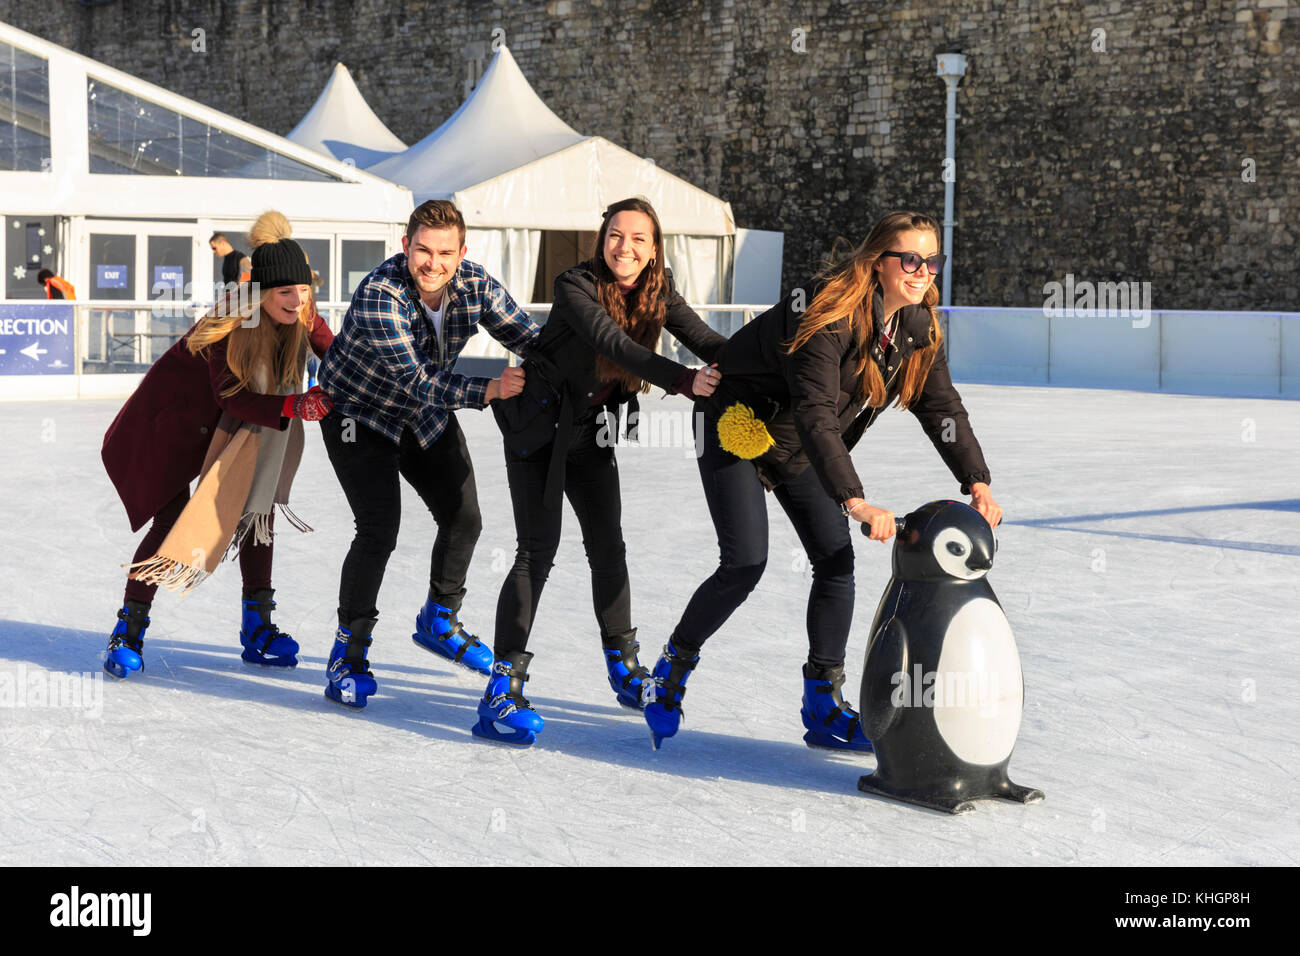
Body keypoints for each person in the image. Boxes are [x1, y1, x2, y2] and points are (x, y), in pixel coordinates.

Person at [643, 210, 1003, 750]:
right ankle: (671, 668)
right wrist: (853, 499)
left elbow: (941, 405)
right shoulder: (828, 308)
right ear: (877, 262)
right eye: (910, 258)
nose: (923, 270)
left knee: (836, 561)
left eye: (932, 260)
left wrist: (975, 480)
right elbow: (815, 409)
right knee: (745, 561)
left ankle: (823, 703)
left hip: (799, 444)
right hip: (736, 423)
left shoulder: (917, 326)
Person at [478, 197, 725, 745]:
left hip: (591, 432)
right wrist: (683, 381)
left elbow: (708, 341)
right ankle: (502, 688)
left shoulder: (658, 294)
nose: (626, 247)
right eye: (616, 235)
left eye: (639, 239)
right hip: (539, 429)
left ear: (655, 248)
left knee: (608, 547)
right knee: (536, 552)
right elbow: (612, 344)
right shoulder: (575, 285)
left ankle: (624, 665)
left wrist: (763, 368)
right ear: (602, 238)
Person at [316, 199, 539, 710]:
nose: (432, 263)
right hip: (357, 413)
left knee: (465, 516)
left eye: (444, 252)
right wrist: (491, 389)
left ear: (462, 253)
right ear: (405, 247)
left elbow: (531, 338)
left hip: (423, 413)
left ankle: (440, 619)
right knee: (378, 529)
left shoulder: (474, 284)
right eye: (422, 250)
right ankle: (347, 656)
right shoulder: (380, 295)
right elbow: (416, 380)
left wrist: (593, 367)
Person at [100, 211, 335, 679]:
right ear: (261, 292)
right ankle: (127, 630)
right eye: (286, 292)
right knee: (170, 523)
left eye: (305, 290)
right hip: (167, 429)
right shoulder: (230, 324)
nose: (298, 300)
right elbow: (235, 396)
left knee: (258, 512)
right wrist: (294, 406)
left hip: (229, 433)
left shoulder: (299, 311)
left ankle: (258, 628)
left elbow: (339, 356)